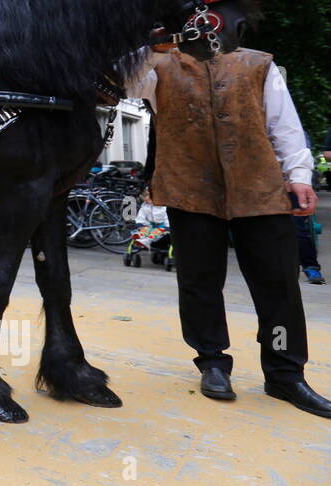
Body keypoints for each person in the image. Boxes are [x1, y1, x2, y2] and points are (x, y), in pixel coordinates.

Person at [127, 47, 331, 418]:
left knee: (278, 283)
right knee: (199, 282)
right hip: (189, 188)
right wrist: (150, 41)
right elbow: (126, 84)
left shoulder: (259, 63)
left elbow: (283, 125)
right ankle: (213, 363)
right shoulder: (158, 63)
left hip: (260, 187)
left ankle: (285, 373)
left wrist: (300, 175)